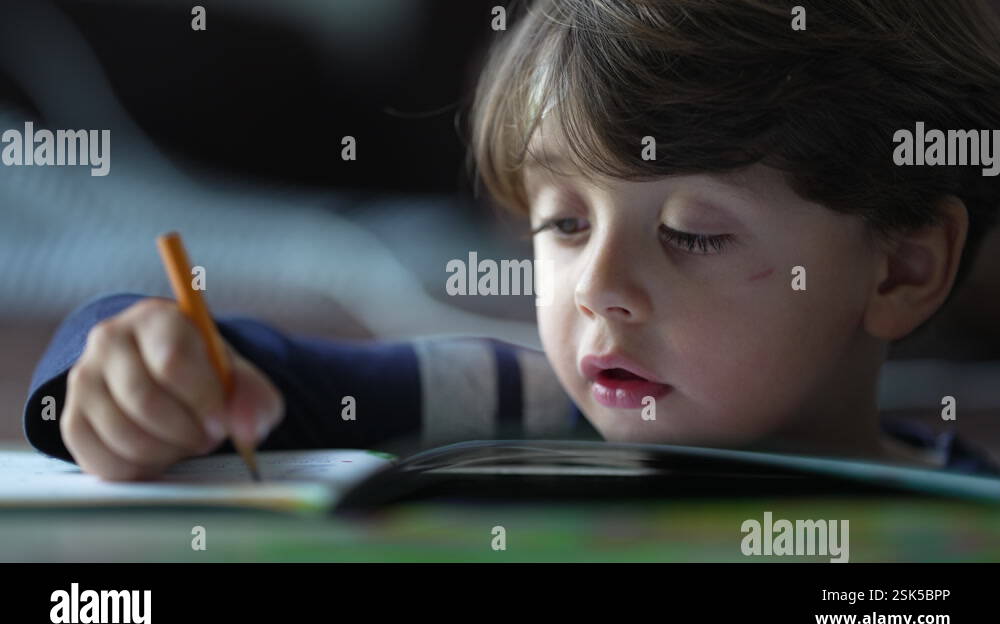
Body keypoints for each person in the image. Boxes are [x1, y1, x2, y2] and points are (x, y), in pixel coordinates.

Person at [22, 0, 1000, 479]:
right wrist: (131, 354)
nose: (597, 288)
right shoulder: (523, 401)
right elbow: (272, 372)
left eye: (692, 234)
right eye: (564, 223)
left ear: (903, 265)